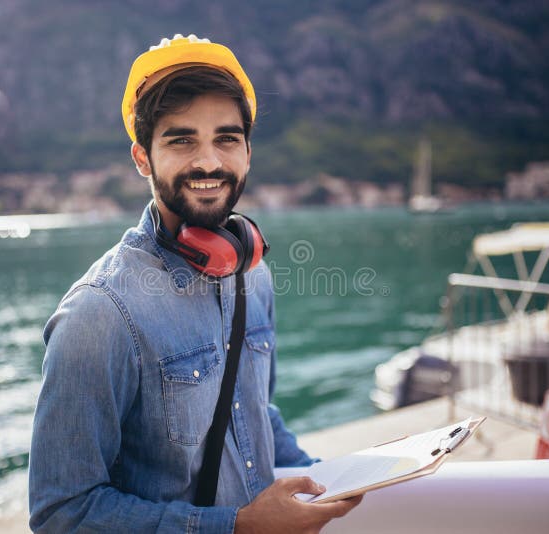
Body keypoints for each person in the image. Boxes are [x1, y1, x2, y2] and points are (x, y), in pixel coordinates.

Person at [28, 34, 362, 533]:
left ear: (248, 151)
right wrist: (239, 525)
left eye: (226, 138)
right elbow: (62, 513)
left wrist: (327, 481)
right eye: (181, 139)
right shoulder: (100, 314)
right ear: (142, 158)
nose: (208, 162)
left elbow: (253, 414)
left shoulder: (254, 275)